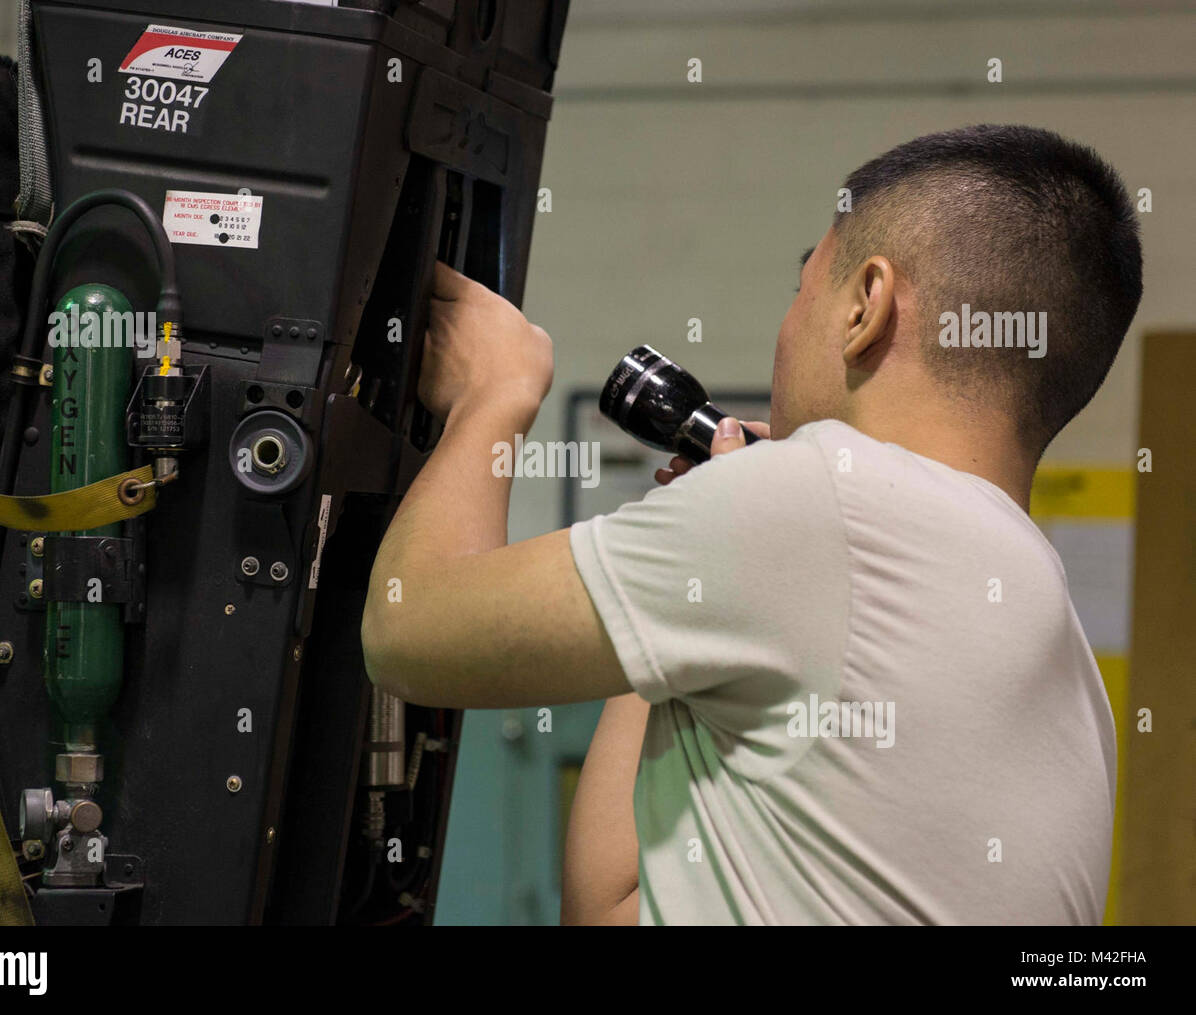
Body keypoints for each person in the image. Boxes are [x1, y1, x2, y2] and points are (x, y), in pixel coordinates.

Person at [360, 124, 1143, 925]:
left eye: (801, 290)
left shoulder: (821, 504)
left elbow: (405, 628)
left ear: (866, 305)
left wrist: (494, 395)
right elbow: (612, 906)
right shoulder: (1062, 663)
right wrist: (679, 603)